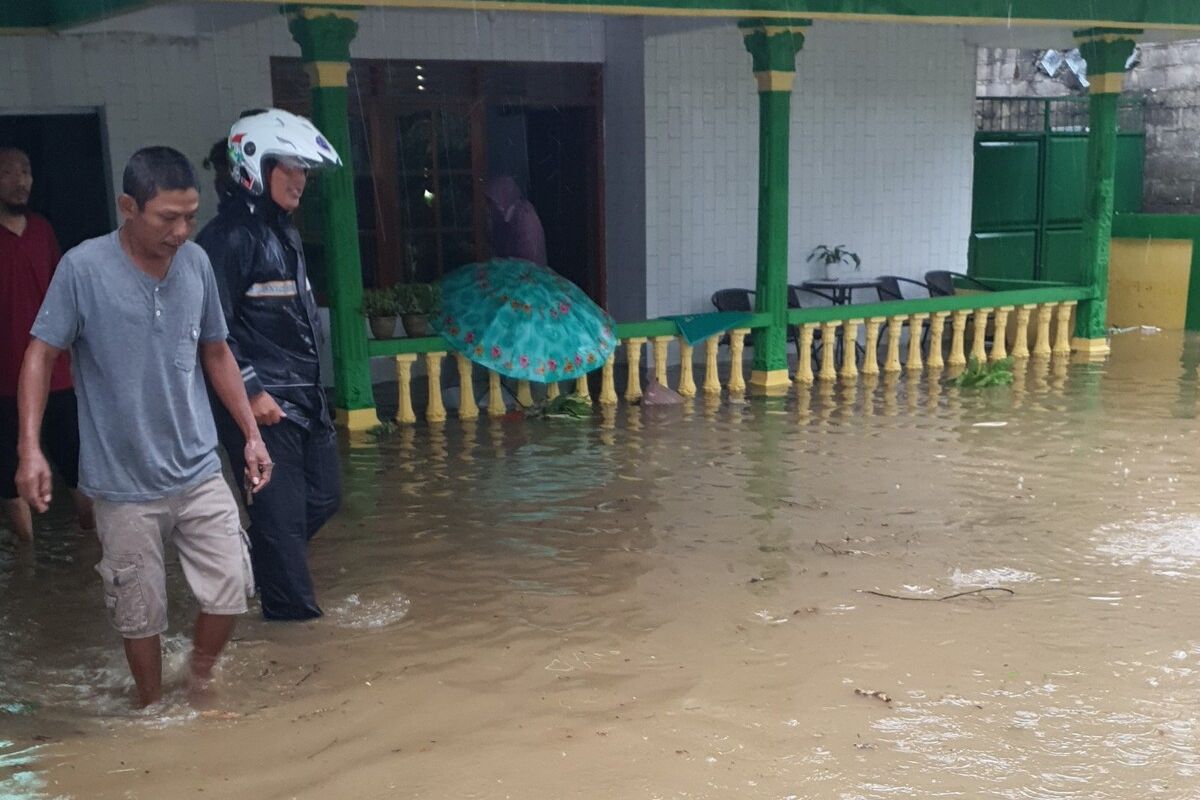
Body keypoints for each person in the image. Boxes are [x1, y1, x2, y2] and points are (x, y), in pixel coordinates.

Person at [16, 146, 271, 708]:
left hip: (199, 467)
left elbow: (216, 351)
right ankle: (151, 706)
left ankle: (198, 676)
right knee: (139, 611)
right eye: (168, 218)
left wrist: (251, 435)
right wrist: (30, 448)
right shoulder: (83, 268)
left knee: (232, 585)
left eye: (191, 217)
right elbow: (40, 353)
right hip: (122, 481)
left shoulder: (197, 264)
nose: (181, 232)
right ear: (128, 206)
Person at [196, 109, 342, 622]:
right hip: (261, 407)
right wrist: (253, 392)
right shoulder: (228, 238)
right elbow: (212, 332)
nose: (300, 180)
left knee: (325, 498)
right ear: (255, 166)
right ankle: (295, 637)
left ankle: (260, 561)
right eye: (291, 167)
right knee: (284, 540)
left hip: (306, 400)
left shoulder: (284, 233)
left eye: (305, 170)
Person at [0, 147, 92, 542]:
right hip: (4, 384)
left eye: (26, 171)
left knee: (81, 471)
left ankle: (94, 556)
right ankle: (29, 565)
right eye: (8, 172)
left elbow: (66, 295)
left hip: (57, 377)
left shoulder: (42, 231)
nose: (20, 181)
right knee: (10, 481)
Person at [485, 175, 547, 267]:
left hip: (527, 271)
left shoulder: (525, 217)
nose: (490, 207)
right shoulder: (507, 217)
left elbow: (528, 258)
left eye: (492, 202)